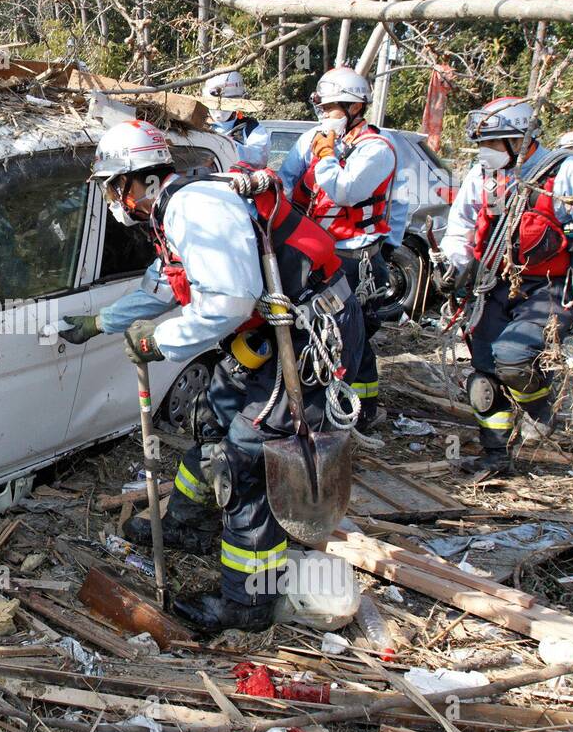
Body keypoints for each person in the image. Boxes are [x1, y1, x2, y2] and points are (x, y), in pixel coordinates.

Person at [58, 119, 364, 632]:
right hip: (269, 333)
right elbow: (162, 288)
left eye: (115, 185)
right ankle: (187, 522)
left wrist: (159, 342)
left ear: (142, 180)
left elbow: (227, 303)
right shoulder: (173, 211)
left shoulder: (195, 208)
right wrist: (101, 323)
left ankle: (247, 605)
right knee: (215, 418)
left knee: (252, 459)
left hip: (305, 339)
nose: (113, 198)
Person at [437, 97, 573, 476]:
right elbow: (462, 226)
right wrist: (453, 265)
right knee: (484, 374)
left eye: (495, 144)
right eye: (483, 145)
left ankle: (537, 406)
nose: (487, 152)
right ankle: (495, 455)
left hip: (548, 286)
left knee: (512, 358)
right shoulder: (482, 176)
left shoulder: (565, 171)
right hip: (493, 283)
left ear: (522, 140)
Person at [277, 66, 401, 430]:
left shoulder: (377, 149)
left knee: (352, 340)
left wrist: (328, 154)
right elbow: (287, 180)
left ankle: (356, 417)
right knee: (324, 336)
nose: (325, 117)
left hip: (356, 261)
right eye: (323, 108)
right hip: (318, 256)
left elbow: (345, 190)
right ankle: (335, 410)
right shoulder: (314, 140)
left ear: (354, 107)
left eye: (333, 109)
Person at [201, 70, 270, 168]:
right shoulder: (198, 126)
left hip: (237, 180)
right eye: (215, 103)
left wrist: (226, 144)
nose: (219, 108)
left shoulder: (252, 128)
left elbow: (258, 158)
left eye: (225, 103)